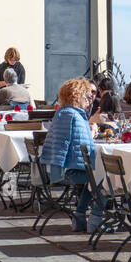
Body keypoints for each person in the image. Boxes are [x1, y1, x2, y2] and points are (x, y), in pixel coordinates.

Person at [38, 78, 101, 233]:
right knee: (105, 179)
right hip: (68, 171)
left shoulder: (63, 113)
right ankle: (96, 220)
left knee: (95, 177)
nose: (89, 99)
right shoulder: (74, 116)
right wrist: (92, 133)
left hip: (59, 167)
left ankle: (79, 217)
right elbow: (85, 148)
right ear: (77, 96)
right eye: (87, 96)